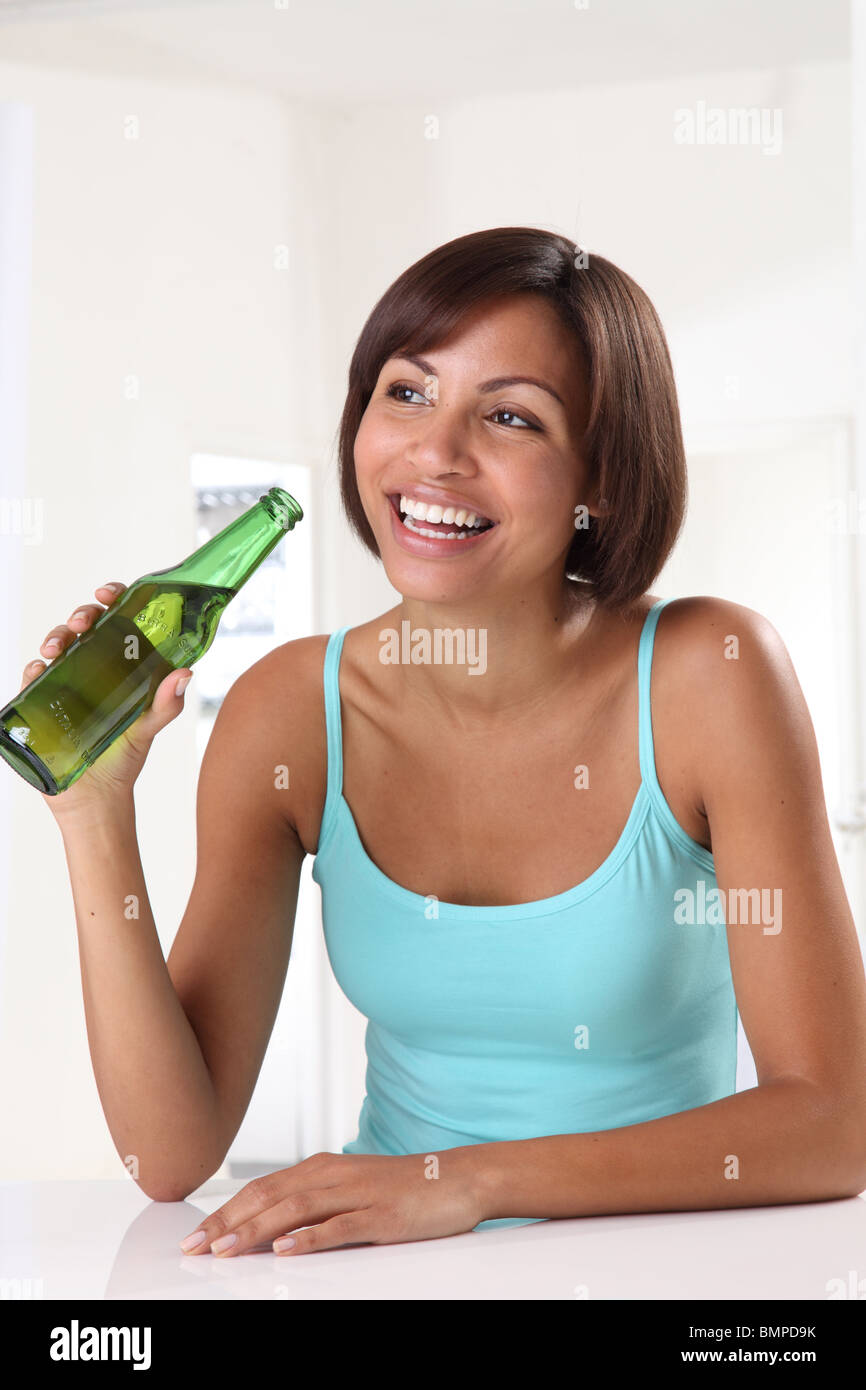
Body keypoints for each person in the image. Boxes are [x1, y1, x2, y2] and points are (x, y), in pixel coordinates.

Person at [31, 227, 866, 1259]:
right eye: (407, 392)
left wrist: (460, 1181)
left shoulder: (710, 672)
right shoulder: (290, 710)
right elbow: (168, 1154)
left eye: (509, 416)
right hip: (386, 1269)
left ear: (598, 476)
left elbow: (833, 1121)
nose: (435, 453)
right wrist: (91, 808)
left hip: (659, 1268)